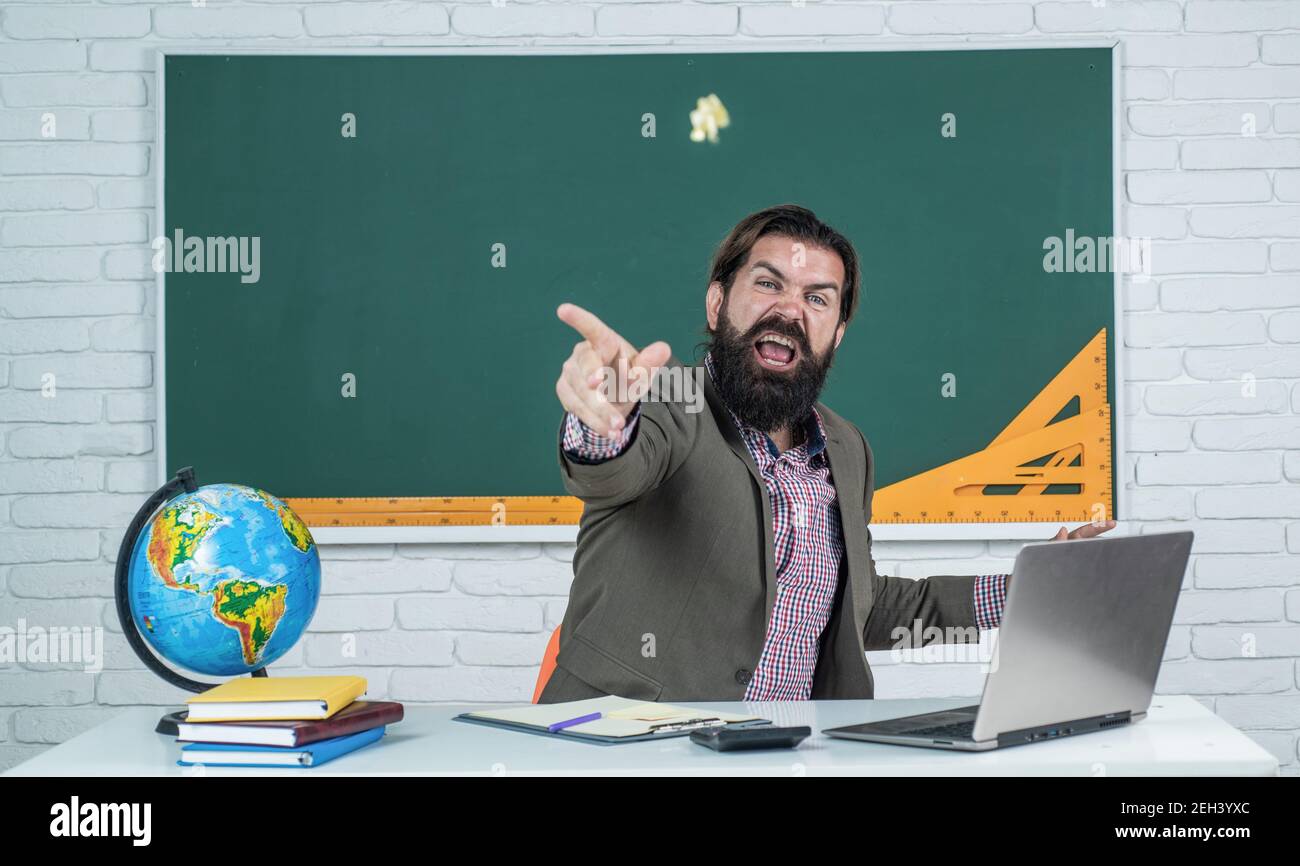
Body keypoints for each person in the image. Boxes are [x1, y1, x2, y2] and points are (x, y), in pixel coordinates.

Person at [542, 204, 1114, 702]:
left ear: (837, 332)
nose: (791, 310)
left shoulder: (847, 449)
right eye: (768, 284)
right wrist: (604, 421)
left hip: (789, 751)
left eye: (817, 298)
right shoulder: (668, 400)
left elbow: (860, 607)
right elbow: (611, 469)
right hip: (633, 751)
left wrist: (1021, 591)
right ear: (717, 303)